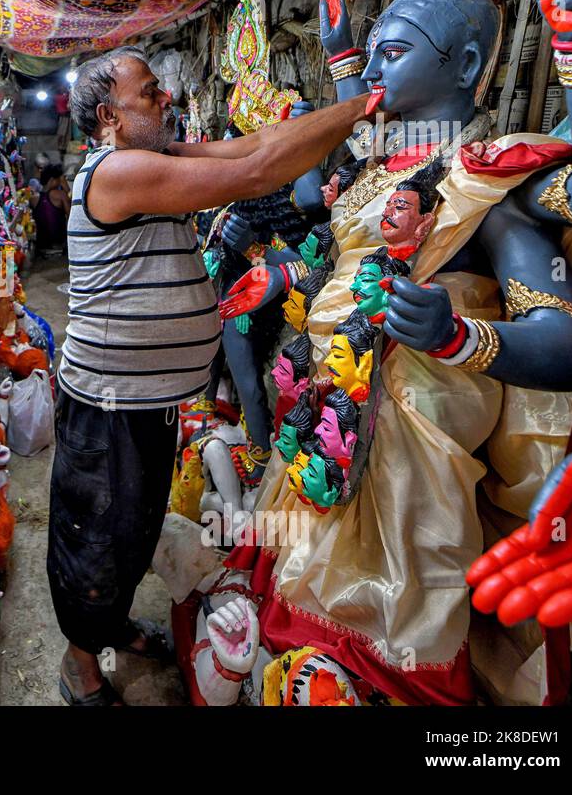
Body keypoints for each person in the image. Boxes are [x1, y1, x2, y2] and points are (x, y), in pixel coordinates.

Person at [50, 44, 369, 705]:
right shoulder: (115, 171)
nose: (165, 95)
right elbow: (256, 171)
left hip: (147, 403)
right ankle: (80, 665)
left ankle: (111, 627)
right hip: (107, 408)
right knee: (96, 541)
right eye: (149, 90)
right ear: (110, 116)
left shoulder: (159, 156)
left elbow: (256, 145)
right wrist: (363, 105)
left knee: (136, 528)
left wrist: (347, 107)